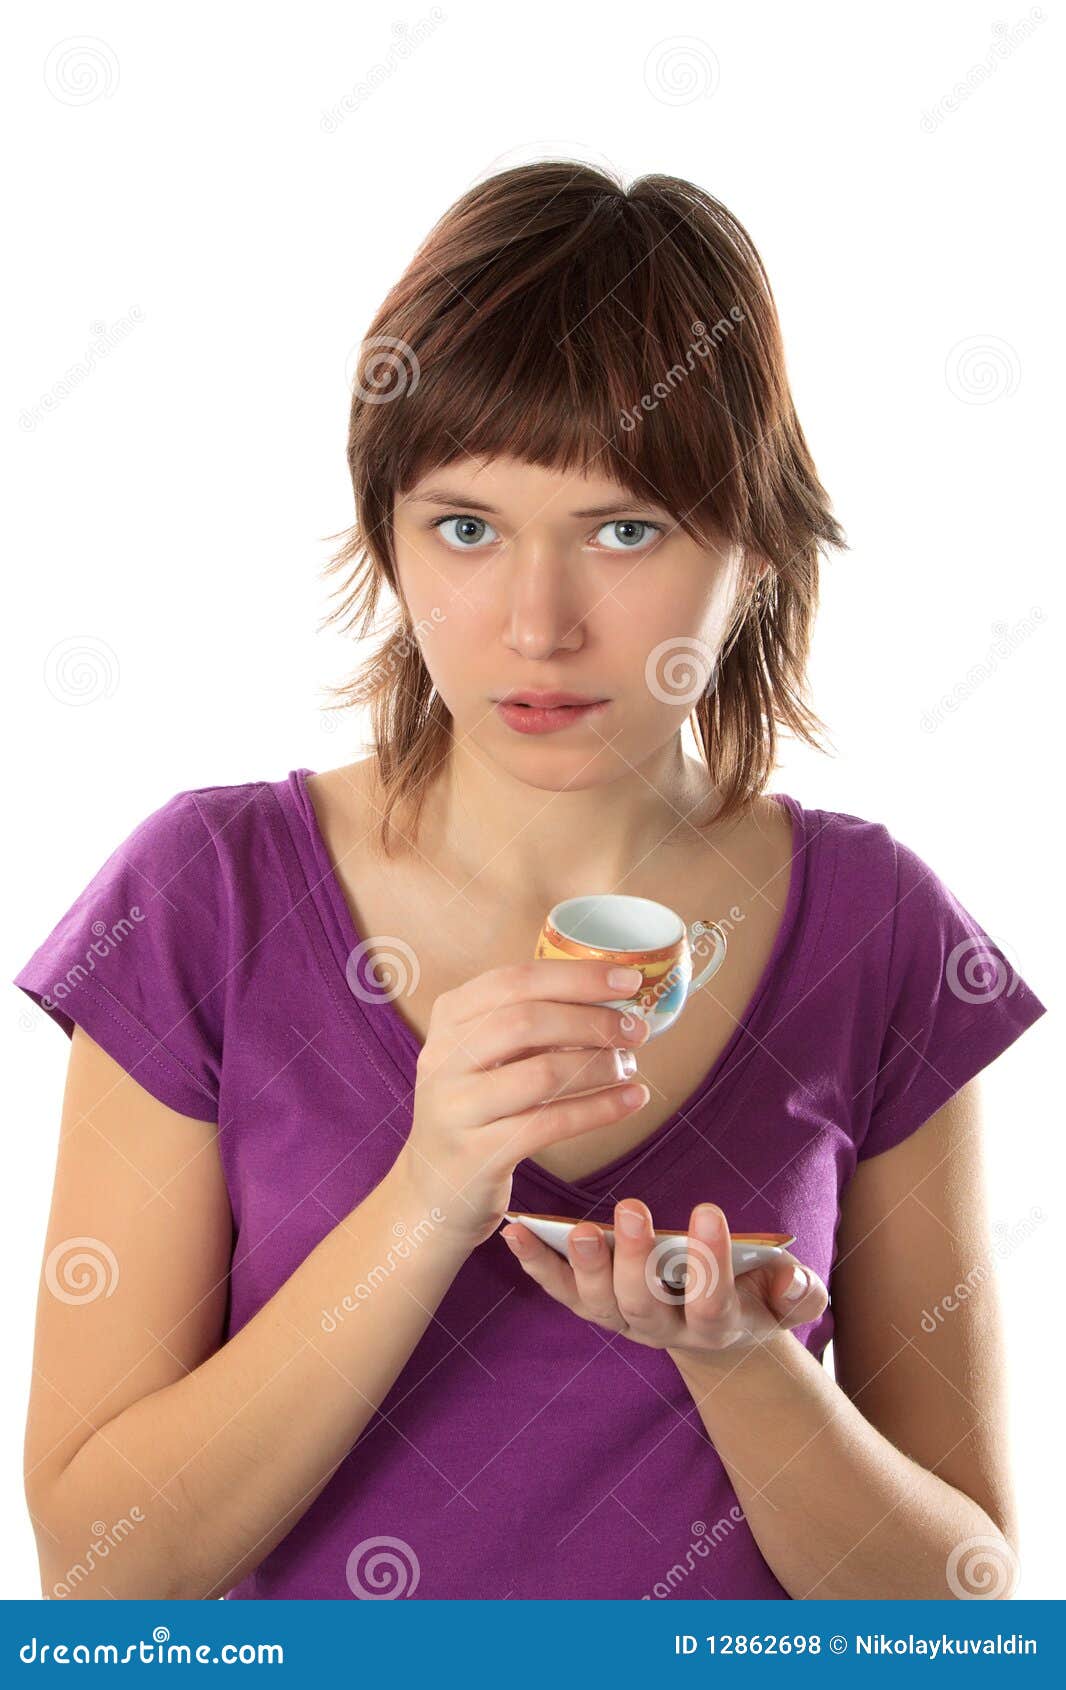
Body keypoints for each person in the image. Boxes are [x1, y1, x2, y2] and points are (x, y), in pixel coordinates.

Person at [16, 162, 1046, 1602]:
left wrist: (740, 1362)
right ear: (387, 535)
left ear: (751, 550)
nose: (536, 624)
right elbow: (98, 1571)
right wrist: (429, 1194)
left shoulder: (876, 930)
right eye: (465, 527)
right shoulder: (206, 896)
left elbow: (961, 1602)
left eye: (624, 529)